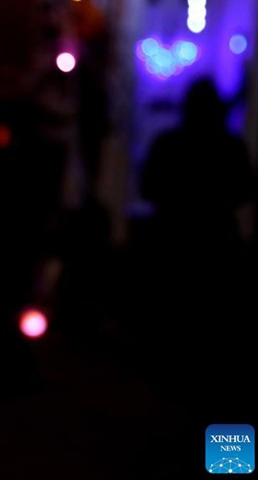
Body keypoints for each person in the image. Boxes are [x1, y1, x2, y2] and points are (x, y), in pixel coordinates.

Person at [137, 77, 257, 415]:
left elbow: (148, 188)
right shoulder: (230, 146)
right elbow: (246, 190)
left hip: (175, 245)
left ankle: (178, 411)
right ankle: (220, 451)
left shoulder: (168, 144)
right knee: (213, 333)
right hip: (216, 245)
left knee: (179, 327)